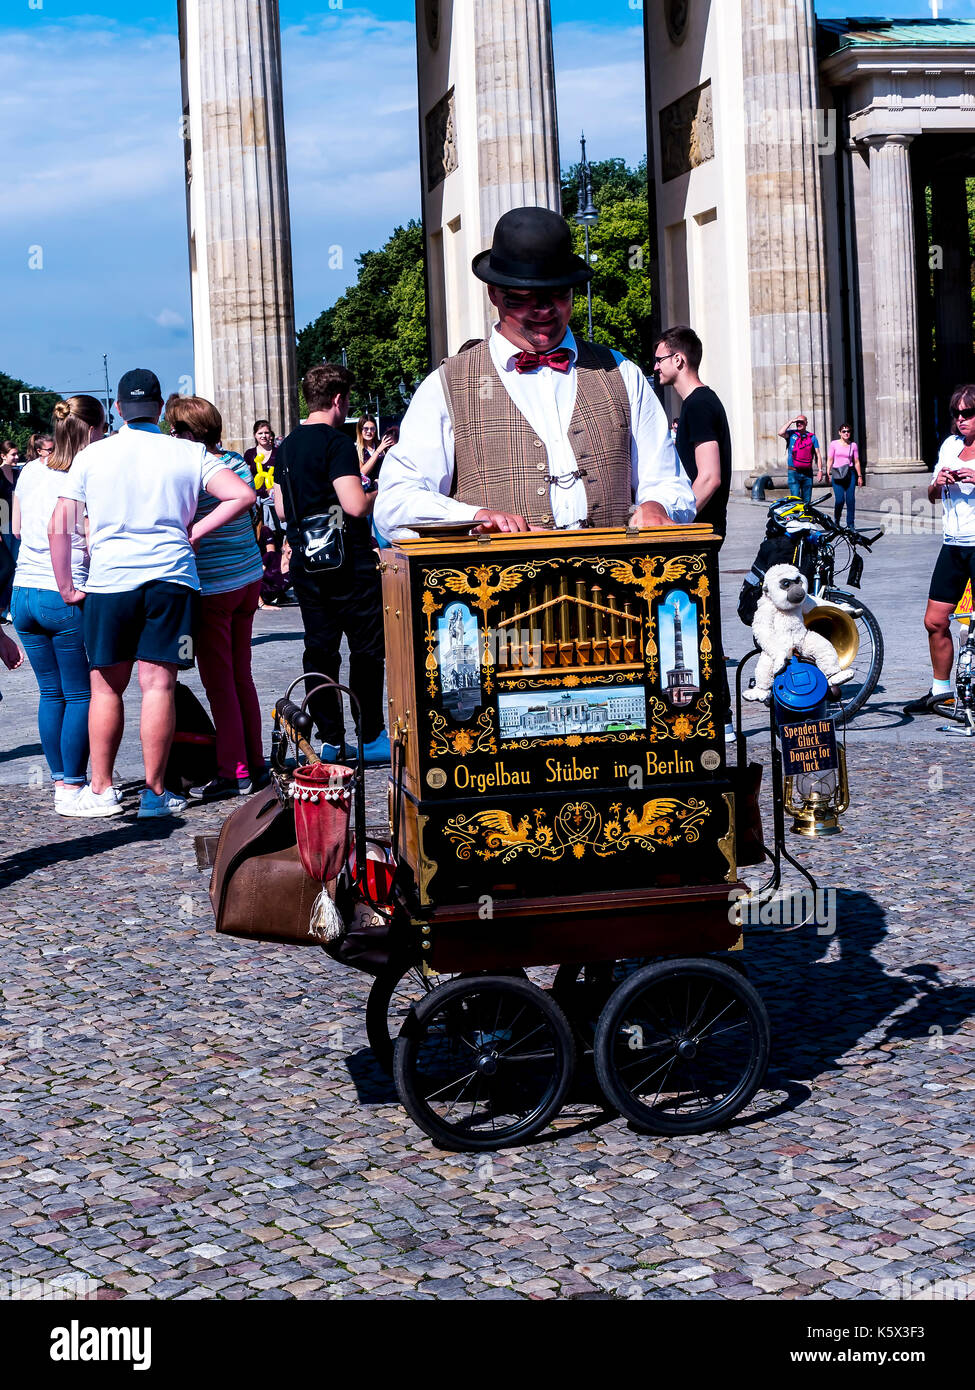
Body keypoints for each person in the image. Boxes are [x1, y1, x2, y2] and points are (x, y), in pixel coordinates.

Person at [375, 205, 694, 537]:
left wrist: (658, 507)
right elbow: (395, 502)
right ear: (494, 294)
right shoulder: (447, 385)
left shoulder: (620, 372)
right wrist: (473, 517)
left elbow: (668, 482)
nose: (544, 310)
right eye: (524, 298)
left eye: (558, 295)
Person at [48, 368, 255, 818]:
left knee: (105, 688)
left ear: (118, 409)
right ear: (160, 408)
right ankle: (156, 793)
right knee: (159, 686)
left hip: (110, 581)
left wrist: (68, 585)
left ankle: (101, 789)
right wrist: (193, 530)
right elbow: (242, 495)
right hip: (171, 577)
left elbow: (59, 524)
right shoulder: (188, 451)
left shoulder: (93, 455)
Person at [273, 362, 389, 764]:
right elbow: (354, 505)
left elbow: (283, 510)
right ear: (339, 399)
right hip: (349, 563)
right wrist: (379, 493)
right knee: (367, 650)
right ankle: (371, 734)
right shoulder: (336, 443)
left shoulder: (284, 447)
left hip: (307, 564)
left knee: (320, 650)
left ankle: (329, 739)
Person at [164, 393, 267, 801]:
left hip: (217, 589)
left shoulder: (197, 473)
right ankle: (256, 763)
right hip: (249, 581)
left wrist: (191, 533)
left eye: (175, 430)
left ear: (188, 433)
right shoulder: (237, 462)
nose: (171, 436)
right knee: (242, 676)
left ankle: (233, 771)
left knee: (220, 684)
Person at [11, 397, 103, 813]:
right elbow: (68, 531)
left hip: (22, 592)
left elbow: (15, 527)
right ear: (92, 429)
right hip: (60, 591)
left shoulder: (29, 469)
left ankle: (58, 781)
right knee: (80, 694)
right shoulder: (85, 472)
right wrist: (70, 587)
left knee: (50, 693)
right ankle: (73, 786)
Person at [653, 324, 734, 732]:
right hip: (698, 532)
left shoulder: (700, 405)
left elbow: (710, 477)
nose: (656, 367)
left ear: (679, 360)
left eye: (660, 359)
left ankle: (718, 717)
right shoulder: (699, 404)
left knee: (700, 626)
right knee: (697, 623)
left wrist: (674, 527)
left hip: (697, 533)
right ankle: (714, 715)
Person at [903, 384, 975, 715]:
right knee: (935, 620)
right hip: (953, 545)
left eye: (968, 413)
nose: (961, 419)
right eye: (956, 414)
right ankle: (942, 692)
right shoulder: (950, 446)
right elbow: (932, 494)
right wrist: (939, 482)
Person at [244, 420, 290, 608]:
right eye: (260, 433)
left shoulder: (279, 453)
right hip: (258, 504)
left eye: (267, 433)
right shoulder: (250, 454)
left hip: (276, 500)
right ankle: (264, 587)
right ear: (255, 435)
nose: (264, 436)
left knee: (282, 540)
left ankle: (281, 584)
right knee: (265, 540)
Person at [778, 413, 823, 504]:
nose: (799, 424)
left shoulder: (812, 437)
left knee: (806, 501)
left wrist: (820, 470)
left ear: (806, 423)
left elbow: (818, 454)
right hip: (793, 471)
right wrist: (791, 421)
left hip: (807, 473)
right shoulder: (791, 434)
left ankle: (804, 518)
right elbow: (780, 432)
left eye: (801, 422)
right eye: (797, 422)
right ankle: (797, 518)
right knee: (795, 500)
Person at [1, 439, 22, 621]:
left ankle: (11, 606)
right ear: (3, 456)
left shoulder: (18, 473)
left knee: (16, 565)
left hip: (16, 523)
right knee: (6, 567)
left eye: (17, 454)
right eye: (13, 454)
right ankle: (3, 608)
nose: (16, 457)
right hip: (3, 524)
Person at [826, 423, 862, 528]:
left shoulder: (853, 445)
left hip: (850, 473)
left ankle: (850, 524)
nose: (846, 433)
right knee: (840, 500)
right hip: (837, 474)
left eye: (848, 431)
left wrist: (860, 476)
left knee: (850, 500)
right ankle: (836, 520)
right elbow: (830, 459)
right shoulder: (834, 444)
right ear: (840, 433)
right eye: (844, 431)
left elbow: (856, 462)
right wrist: (827, 472)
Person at [356, 415, 397, 487]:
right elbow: (362, 473)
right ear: (360, 430)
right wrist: (378, 451)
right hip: (370, 491)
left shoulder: (383, 444)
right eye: (366, 429)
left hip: (387, 486)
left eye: (372, 428)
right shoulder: (357, 451)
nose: (369, 431)